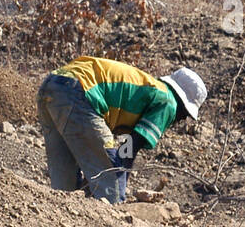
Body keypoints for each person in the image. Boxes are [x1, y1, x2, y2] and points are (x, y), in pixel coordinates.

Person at [37, 56, 206, 203]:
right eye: (185, 114)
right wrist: (119, 182)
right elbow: (131, 144)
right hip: (80, 91)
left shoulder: (148, 87)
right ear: (183, 104)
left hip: (54, 83)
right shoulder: (168, 102)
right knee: (111, 187)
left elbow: (114, 144)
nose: (182, 119)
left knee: (64, 187)